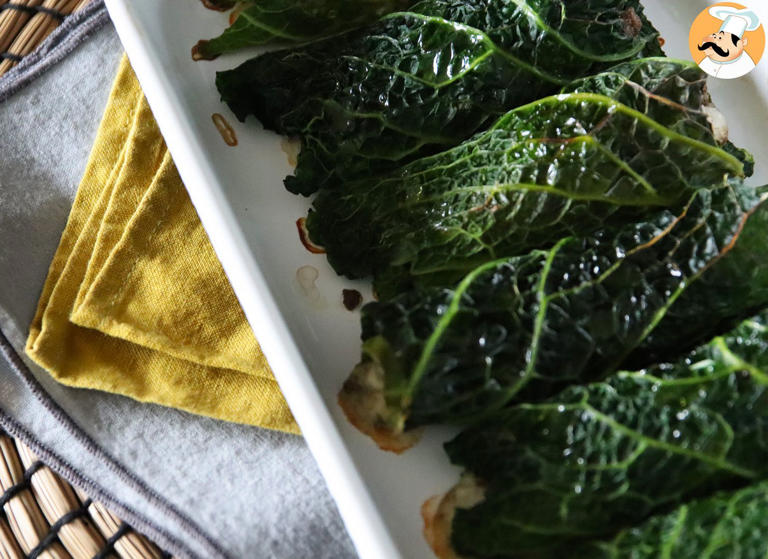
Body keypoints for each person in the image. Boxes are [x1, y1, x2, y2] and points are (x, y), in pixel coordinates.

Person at [697, 6, 760, 79]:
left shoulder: (745, 66)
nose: (714, 43)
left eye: (720, 39)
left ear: (741, 43)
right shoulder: (707, 60)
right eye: (715, 36)